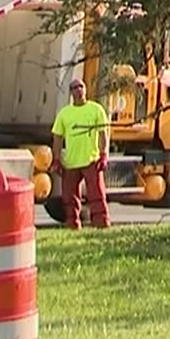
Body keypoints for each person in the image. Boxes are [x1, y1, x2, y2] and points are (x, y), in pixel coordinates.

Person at [50, 76, 111, 229]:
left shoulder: (96, 109)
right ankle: (72, 224)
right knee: (69, 198)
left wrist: (104, 154)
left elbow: (104, 134)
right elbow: (57, 138)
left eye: (81, 86)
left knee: (96, 195)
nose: (79, 90)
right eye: (75, 87)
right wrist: (56, 159)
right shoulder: (64, 114)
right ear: (71, 93)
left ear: (85, 89)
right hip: (71, 162)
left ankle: (101, 224)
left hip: (92, 160)